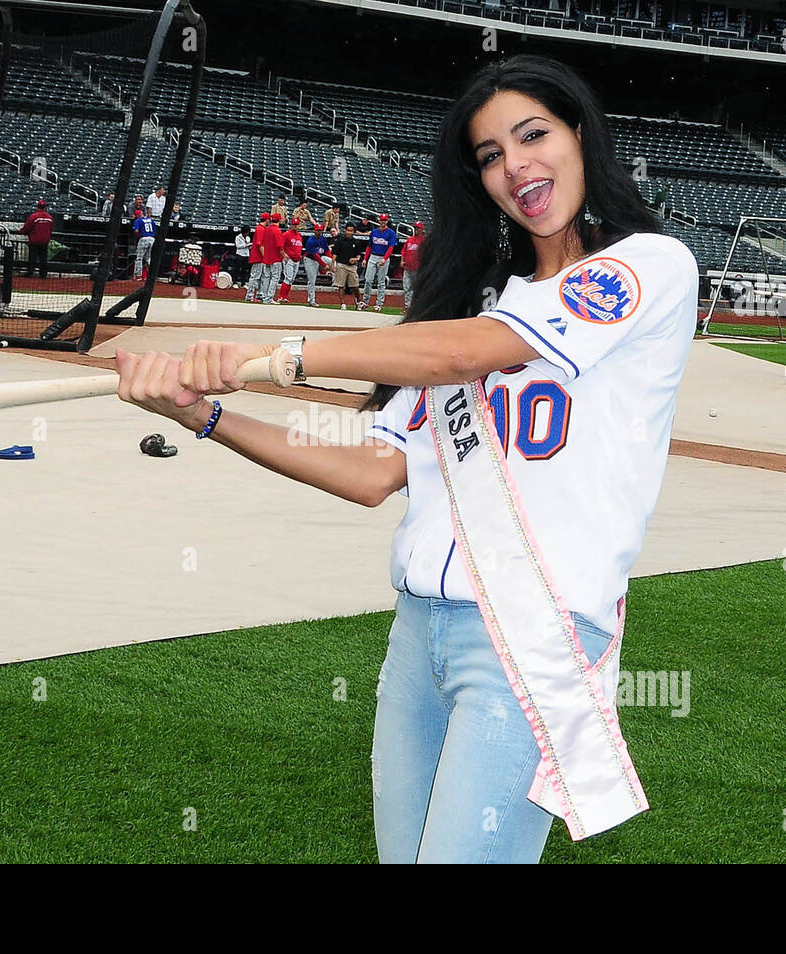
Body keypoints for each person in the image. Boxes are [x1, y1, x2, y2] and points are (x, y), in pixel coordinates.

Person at [112, 55, 695, 863]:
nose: (515, 165)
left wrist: (280, 354)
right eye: (490, 155)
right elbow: (372, 470)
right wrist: (207, 415)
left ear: (581, 135)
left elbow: (467, 356)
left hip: (530, 632)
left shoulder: (647, 266)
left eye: (533, 135)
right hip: (419, 633)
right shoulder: (476, 306)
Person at [358, 213, 399, 311]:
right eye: (381, 220)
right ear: (379, 221)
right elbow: (369, 246)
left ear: (387, 221)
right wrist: (365, 258)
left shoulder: (391, 233)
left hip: (383, 257)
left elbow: (391, 247)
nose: (383, 222)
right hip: (373, 256)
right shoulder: (374, 232)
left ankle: (379, 304)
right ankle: (365, 302)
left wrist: (385, 258)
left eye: (384, 220)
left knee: (381, 281)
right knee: (368, 280)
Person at [330, 221, 364, 309]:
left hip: (352, 266)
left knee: (355, 286)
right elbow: (334, 254)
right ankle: (342, 303)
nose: (349, 232)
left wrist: (355, 259)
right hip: (341, 264)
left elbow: (359, 255)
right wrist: (332, 265)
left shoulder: (356, 242)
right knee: (341, 285)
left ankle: (357, 300)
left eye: (351, 231)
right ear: (345, 230)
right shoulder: (340, 241)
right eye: (348, 230)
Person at [18, 198, 54, 279]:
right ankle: (43, 274)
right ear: (45, 207)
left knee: (32, 258)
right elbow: (51, 228)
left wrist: (21, 231)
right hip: (44, 241)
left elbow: (27, 228)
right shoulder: (49, 217)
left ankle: (30, 272)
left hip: (34, 240)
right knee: (43, 258)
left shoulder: (34, 216)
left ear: (37, 207)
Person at [302, 223, 332, 307]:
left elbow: (327, 250)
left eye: (320, 230)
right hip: (310, 260)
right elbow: (315, 256)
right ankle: (311, 300)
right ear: (314, 231)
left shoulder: (323, 238)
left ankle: (335, 277)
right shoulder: (310, 241)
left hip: (319, 257)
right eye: (317, 230)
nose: (319, 232)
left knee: (335, 263)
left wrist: (331, 263)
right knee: (312, 280)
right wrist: (324, 265)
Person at [276, 218, 304, 303]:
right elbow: (281, 246)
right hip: (289, 259)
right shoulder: (286, 234)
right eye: (294, 225)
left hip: (297, 260)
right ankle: (281, 297)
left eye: (297, 225)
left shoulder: (299, 235)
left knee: (291, 279)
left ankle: (284, 297)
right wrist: (284, 255)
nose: (295, 226)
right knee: (288, 278)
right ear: (291, 225)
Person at [258, 212, 284, 304]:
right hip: (275, 258)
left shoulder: (267, 229)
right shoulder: (277, 230)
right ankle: (269, 298)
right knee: (274, 278)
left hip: (267, 258)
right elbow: (280, 246)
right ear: (279, 220)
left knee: (266, 278)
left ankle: (264, 297)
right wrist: (284, 256)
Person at [400, 221, 425, 314]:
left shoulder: (424, 241)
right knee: (407, 287)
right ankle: (407, 307)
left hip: (418, 268)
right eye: (415, 228)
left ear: (422, 230)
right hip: (408, 268)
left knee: (417, 288)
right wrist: (402, 261)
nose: (416, 230)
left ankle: (417, 307)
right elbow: (403, 252)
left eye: (418, 228)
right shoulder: (409, 240)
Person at [245, 212, 268, 302]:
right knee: (255, 277)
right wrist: (265, 256)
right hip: (258, 257)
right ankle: (249, 296)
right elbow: (260, 244)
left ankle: (259, 295)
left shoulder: (262, 228)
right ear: (267, 220)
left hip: (260, 258)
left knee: (261, 277)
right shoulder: (260, 229)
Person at [132, 210, 156, 280]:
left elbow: (136, 231)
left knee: (139, 258)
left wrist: (137, 238)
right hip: (152, 239)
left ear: (137, 215)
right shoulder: (150, 220)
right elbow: (154, 231)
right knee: (148, 258)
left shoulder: (138, 220)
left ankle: (138, 276)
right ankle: (151, 275)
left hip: (143, 238)